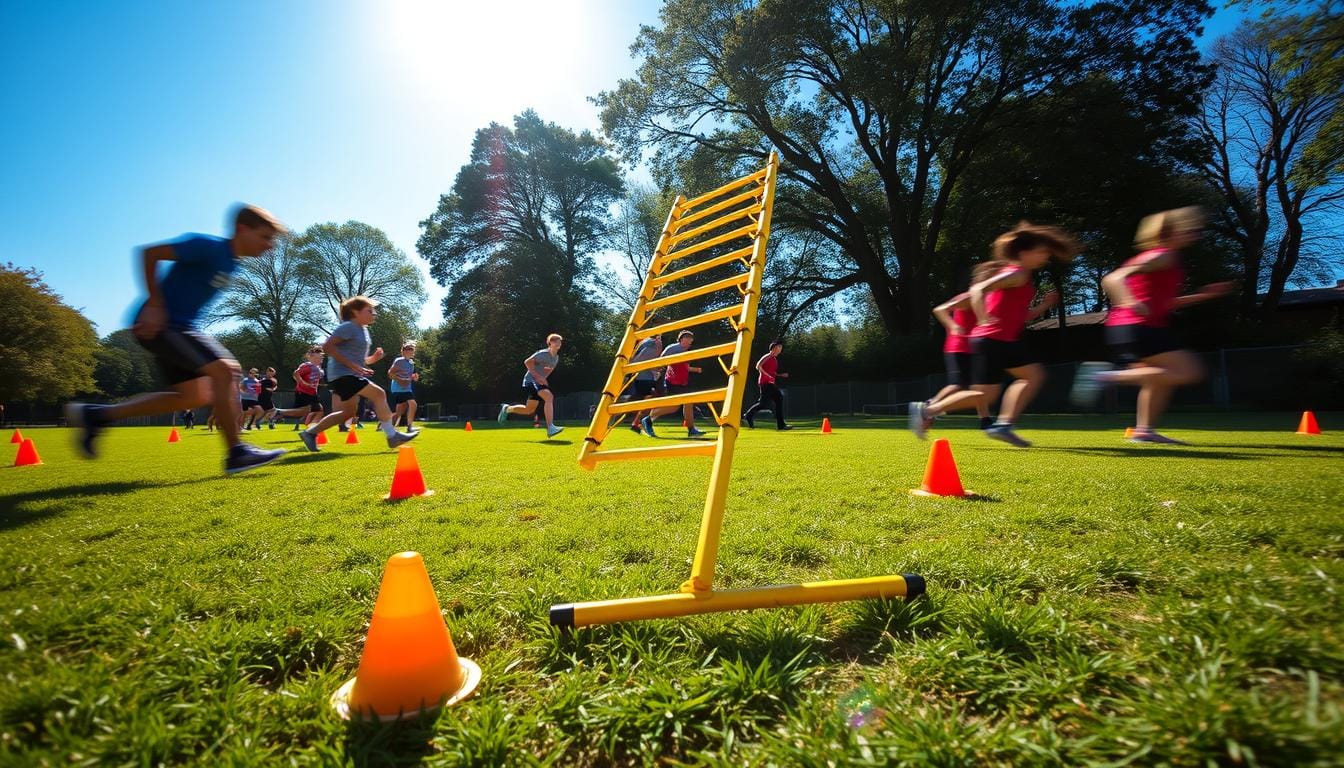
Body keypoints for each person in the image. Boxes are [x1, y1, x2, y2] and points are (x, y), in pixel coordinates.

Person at [65, 206, 287, 473]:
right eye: (265, 237)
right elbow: (150, 254)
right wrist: (155, 304)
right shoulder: (206, 246)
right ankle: (236, 452)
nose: (269, 246)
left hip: (180, 328)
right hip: (163, 325)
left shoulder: (232, 264)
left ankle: (97, 415)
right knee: (226, 370)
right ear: (242, 229)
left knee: (192, 397)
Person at [1070, 207, 1233, 443]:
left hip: (1127, 327)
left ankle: (1144, 431)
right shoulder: (1161, 255)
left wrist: (1203, 296)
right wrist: (1129, 300)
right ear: (1171, 232)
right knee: (1190, 371)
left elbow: (1164, 303)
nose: (1196, 233)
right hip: (1138, 326)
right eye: (1190, 228)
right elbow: (1113, 278)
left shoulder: (1167, 259)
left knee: (1157, 379)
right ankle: (1103, 377)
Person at [910, 222, 1079, 447]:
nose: (1045, 256)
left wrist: (1043, 306)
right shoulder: (1016, 273)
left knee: (1031, 377)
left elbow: (1022, 317)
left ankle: (1002, 425)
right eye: (1041, 251)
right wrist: (981, 316)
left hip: (1004, 340)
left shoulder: (1023, 277)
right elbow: (978, 289)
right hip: (992, 340)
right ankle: (930, 409)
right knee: (986, 395)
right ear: (1023, 252)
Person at [298, 297, 419, 452]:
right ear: (355, 312)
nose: (374, 313)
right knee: (379, 394)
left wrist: (373, 359)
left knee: (347, 413)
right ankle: (392, 436)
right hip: (343, 375)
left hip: (348, 375)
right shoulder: (348, 326)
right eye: (369, 310)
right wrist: (353, 366)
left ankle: (309, 433)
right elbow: (327, 347)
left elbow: (359, 359)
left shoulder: (364, 331)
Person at [929, 263, 1000, 431]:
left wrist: (1044, 306)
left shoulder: (987, 300)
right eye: (991, 277)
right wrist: (953, 326)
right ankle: (928, 407)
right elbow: (940, 310)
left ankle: (985, 420)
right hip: (958, 347)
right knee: (958, 386)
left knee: (978, 387)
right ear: (979, 280)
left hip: (973, 348)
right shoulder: (968, 297)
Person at [498, 333, 565, 438]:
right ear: (550, 343)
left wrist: (543, 378)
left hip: (538, 382)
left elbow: (549, 370)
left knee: (529, 410)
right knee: (549, 397)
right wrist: (537, 376)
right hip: (530, 381)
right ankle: (550, 427)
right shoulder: (543, 354)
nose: (558, 343)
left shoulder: (555, 358)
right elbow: (527, 362)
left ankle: (507, 409)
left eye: (560, 342)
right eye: (556, 341)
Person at [641, 330, 705, 438]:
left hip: (682, 382)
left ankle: (691, 429)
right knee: (674, 406)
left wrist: (695, 370)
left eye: (691, 339)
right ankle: (648, 419)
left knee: (688, 403)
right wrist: (657, 369)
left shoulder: (686, 350)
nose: (690, 340)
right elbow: (661, 359)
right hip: (672, 381)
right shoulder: (673, 348)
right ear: (681, 339)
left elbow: (684, 367)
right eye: (688, 338)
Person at [270, 348, 325, 429]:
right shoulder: (307, 365)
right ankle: (279, 412)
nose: (321, 359)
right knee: (305, 411)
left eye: (321, 358)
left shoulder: (317, 367)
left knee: (319, 411)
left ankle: (311, 429)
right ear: (311, 357)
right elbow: (296, 373)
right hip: (304, 392)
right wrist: (303, 383)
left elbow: (315, 378)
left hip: (312, 393)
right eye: (318, 358)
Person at [743, 339, 791, 430]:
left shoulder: (774, 359)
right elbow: (758, 366)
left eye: (781, 347)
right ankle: (748, 415)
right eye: (779, 347)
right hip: (765, 383)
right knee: (764, 403)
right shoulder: (768, 356)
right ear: (773, 348)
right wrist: (767, 376)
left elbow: (771, 372)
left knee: (776, 399)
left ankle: (781, 425)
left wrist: (780, 375)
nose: (781, 348)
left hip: (770, 383)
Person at [628, 332, 664, 434]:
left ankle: (636, 423)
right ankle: (638, 422)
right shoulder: (654, 342)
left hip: (642, 376)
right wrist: (656, 368)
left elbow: (639, 358)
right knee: (652, 399)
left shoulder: (645, 341)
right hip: (644, 377)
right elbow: (646, 358)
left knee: (649, 399)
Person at [388, 342, 419, 432]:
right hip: (398, 388)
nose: (413, 352)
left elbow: (410, 376)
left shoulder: (411, 363)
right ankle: (409, 427)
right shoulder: (399, 361)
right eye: (411, 350)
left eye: (413, 350)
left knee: (400, 411)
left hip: (407, 388)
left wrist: (414, 377)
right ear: (404, 351)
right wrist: (401, 380)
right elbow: (390, 373)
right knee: (413, 404)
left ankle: (383, 425)